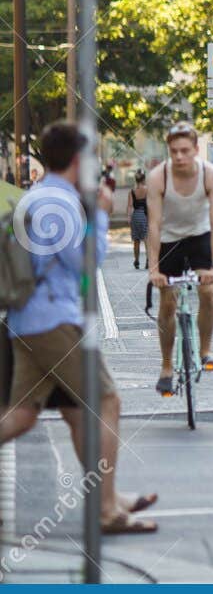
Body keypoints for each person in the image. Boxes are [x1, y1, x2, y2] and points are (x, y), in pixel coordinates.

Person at [0, 121, 158, 534]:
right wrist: (101, 217)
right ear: (75, 160)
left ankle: (108, 496)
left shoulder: (43, 194)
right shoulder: (59, 203)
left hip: (31, 321)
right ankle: (105, 510)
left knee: (33, 415)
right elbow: (85, 263)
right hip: (53, 323)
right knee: (107, 403)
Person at [146, 123, 213, 396]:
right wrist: (153, 268)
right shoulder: (158, 177)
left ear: (196, 150)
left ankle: (205, 351)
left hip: (199, 236)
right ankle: (167, 367)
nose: (179, 156)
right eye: (173, 151)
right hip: (169, 239)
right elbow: (153, 225)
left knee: (208, 292)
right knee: (167, 302)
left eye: (184, 151)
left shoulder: (210, 175)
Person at [128, 170, 149, 270]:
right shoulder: (148, 190)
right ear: (144, 179)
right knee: (146, 239)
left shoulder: (132, 191)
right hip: (145, 216)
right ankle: (148, 260)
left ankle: (136, 260)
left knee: (136, 240)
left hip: (136, 216)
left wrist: (129, 217)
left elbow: (130, 206)